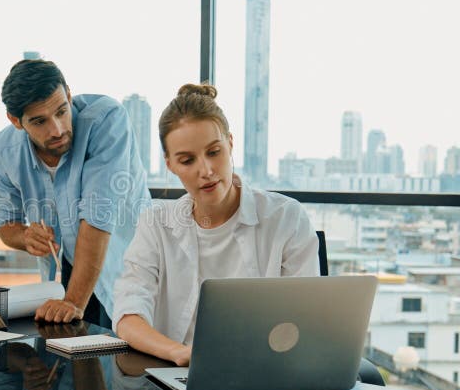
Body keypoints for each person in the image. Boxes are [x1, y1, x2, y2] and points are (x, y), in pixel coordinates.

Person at [112, 83, 319, 366]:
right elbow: (128, 314)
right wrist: (178, 353)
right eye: (187, 160)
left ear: (230, 143)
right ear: (170, 165)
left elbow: (305, 318)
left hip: (266, 371)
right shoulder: (156, 224)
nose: (206, 171)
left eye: (214, 152)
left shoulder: (286, 218)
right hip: (177, 373)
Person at [0, 59, 150, 327]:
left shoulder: (106, 120)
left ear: (68, 93)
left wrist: (74, 302)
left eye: (61, 111)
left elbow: (97, 217)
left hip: (127, 266)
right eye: (39, 121)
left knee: (129, 351)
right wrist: (25, 236)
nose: (57, 129)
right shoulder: (4, 150)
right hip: (68, 269)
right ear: (15, 121)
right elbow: (6, 223)